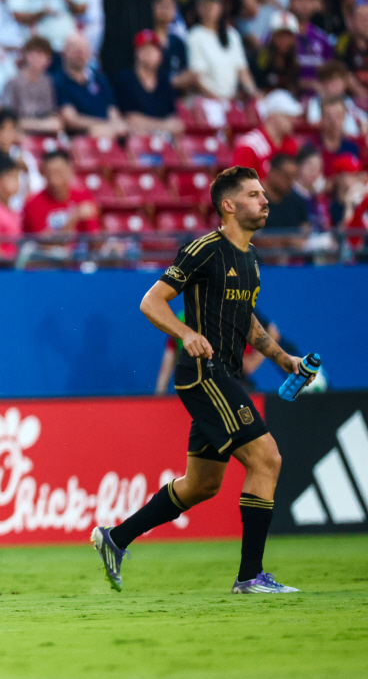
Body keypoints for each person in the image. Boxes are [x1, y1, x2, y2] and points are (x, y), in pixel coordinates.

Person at [91, 166, 315, 594]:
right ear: (228, 205)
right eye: (253, 194)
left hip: (223, 374)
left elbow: (247, 321)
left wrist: (282, 358)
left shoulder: (249, 258)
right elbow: (151, 301)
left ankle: (115, 538)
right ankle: (250, 577)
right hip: (203, 374)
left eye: (263, 193)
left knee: (202, 484)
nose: (264, 199)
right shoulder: (204, 250)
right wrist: (186, 334)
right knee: (267, 459)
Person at [188, 0, 257, 100]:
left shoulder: (232, 34)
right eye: (205, 5)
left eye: (213, 4)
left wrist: (253, 91)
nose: (209, 9)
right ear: (198, 8)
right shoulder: (195, 35)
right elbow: (196, 77)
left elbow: (241, 70)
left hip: (231, 98)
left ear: (220, 8)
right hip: (207, 98)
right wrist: (217, 99)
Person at [54, 32, 127, 137]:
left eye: (82, 49)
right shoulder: (59, 80)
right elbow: (71, 119)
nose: (79, 54)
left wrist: (114, 125)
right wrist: (104, 125)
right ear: (64, 52)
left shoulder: (99, 78)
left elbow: (112, 111)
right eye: (74, 49)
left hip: (109, 134)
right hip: (80, 137)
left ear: (89, 52)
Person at [113, 30, 182, 133]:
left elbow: (173, 118)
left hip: (164, 140)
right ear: (136, 52)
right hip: (136, 139)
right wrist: (163, 125)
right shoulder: (126, 78)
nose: (149, 52)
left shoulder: (164, 82)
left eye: (154, 48)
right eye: (144, 48)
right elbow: (130, 119)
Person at [23, 150, 99, 234]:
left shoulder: (84, 198)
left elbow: (94, 238)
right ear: (43, 173)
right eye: (50, 173)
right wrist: (74, 218)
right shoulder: (33, 204)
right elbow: (46, 243)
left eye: (59, 172)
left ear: (70, 170)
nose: (54, 179)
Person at [232, 90, 302, 178]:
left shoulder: (290, 144)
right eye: (288, 116)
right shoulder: (249, 145)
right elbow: (238, 184)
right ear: (273, 116)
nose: (293, 121)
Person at [1, 36, 63, 134]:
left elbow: (50, 112)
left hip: (44, 131)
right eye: (35, 54)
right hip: (21, 132)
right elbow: (9, 119)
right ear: (26, 55)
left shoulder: (47, 82)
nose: (38, 59)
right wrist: (41, 124)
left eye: (43, 55)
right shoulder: (13, 82)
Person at [262, 152, 310, 233]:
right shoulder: (253, 201)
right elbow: (254, 237)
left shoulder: (296, 200)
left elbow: (305, 227)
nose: (290, 182)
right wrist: (287, 241)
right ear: (272, 173)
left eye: (294, 177)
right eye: (287, 176)